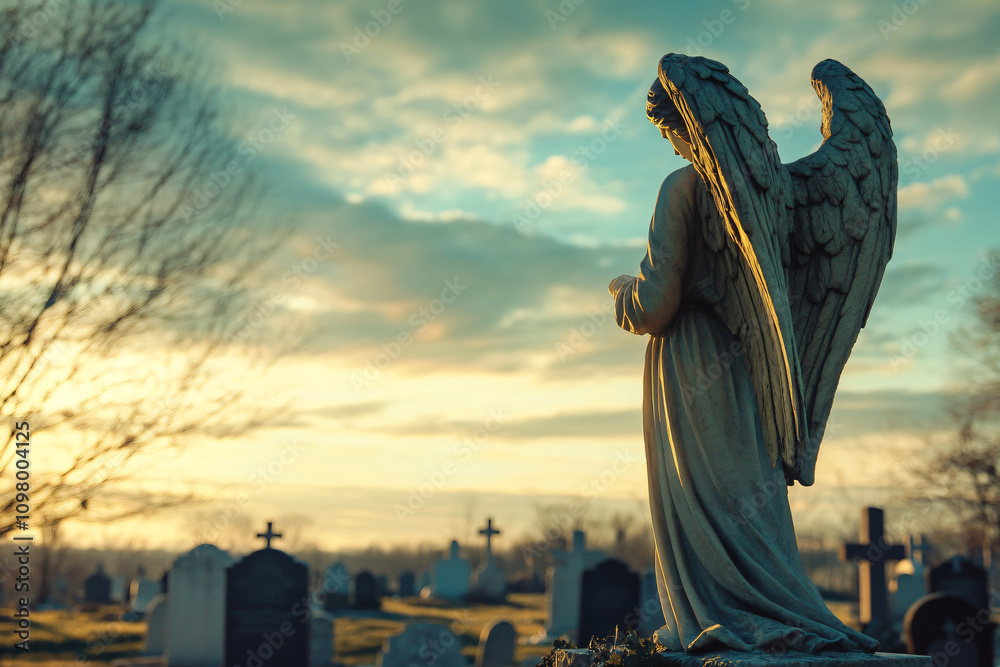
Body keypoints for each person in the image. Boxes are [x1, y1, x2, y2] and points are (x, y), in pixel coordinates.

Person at [606, 91, 879, 654]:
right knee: (746, 489)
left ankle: (722, 612)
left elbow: (655, 305)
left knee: (702, 491)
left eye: (670, 132)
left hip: (692, 358)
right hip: (751, 365)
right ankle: (765, 604)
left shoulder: (683, 187)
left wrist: (621, 290)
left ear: (689, 121)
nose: (673, 146)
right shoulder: (777, 196)